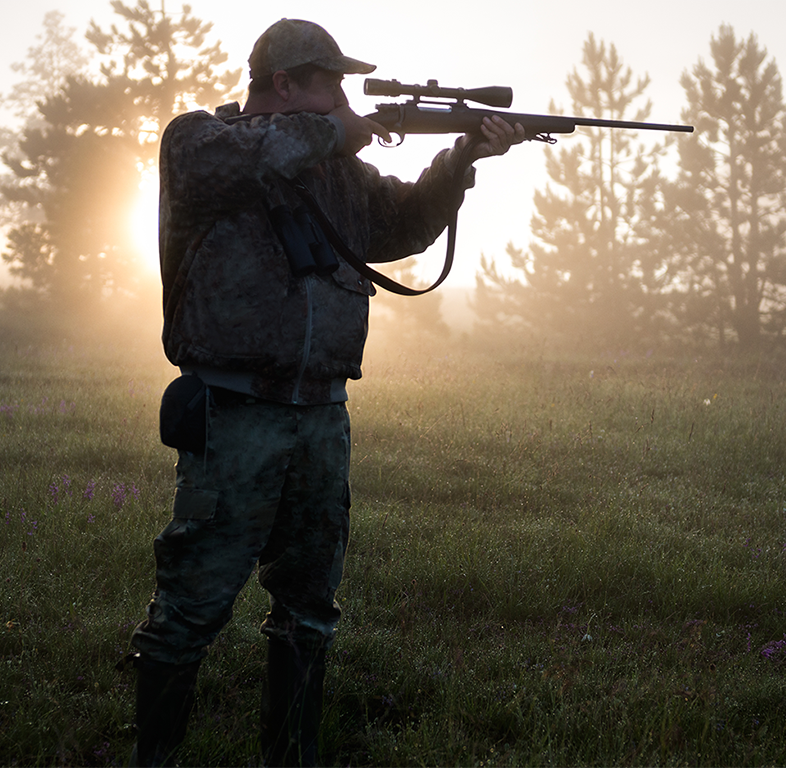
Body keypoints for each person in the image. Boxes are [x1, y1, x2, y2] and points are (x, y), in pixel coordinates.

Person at [124, 18, 523, 768]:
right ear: (284, 85)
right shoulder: (198, 142)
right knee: (191, 609)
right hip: (235, 411)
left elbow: (400, 224)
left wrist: (462, 156)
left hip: (321, 416)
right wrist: (342, 131)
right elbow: (263, 153)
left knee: (309, 612)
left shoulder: (337, 169)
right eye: (329, 83)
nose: (344, 97)